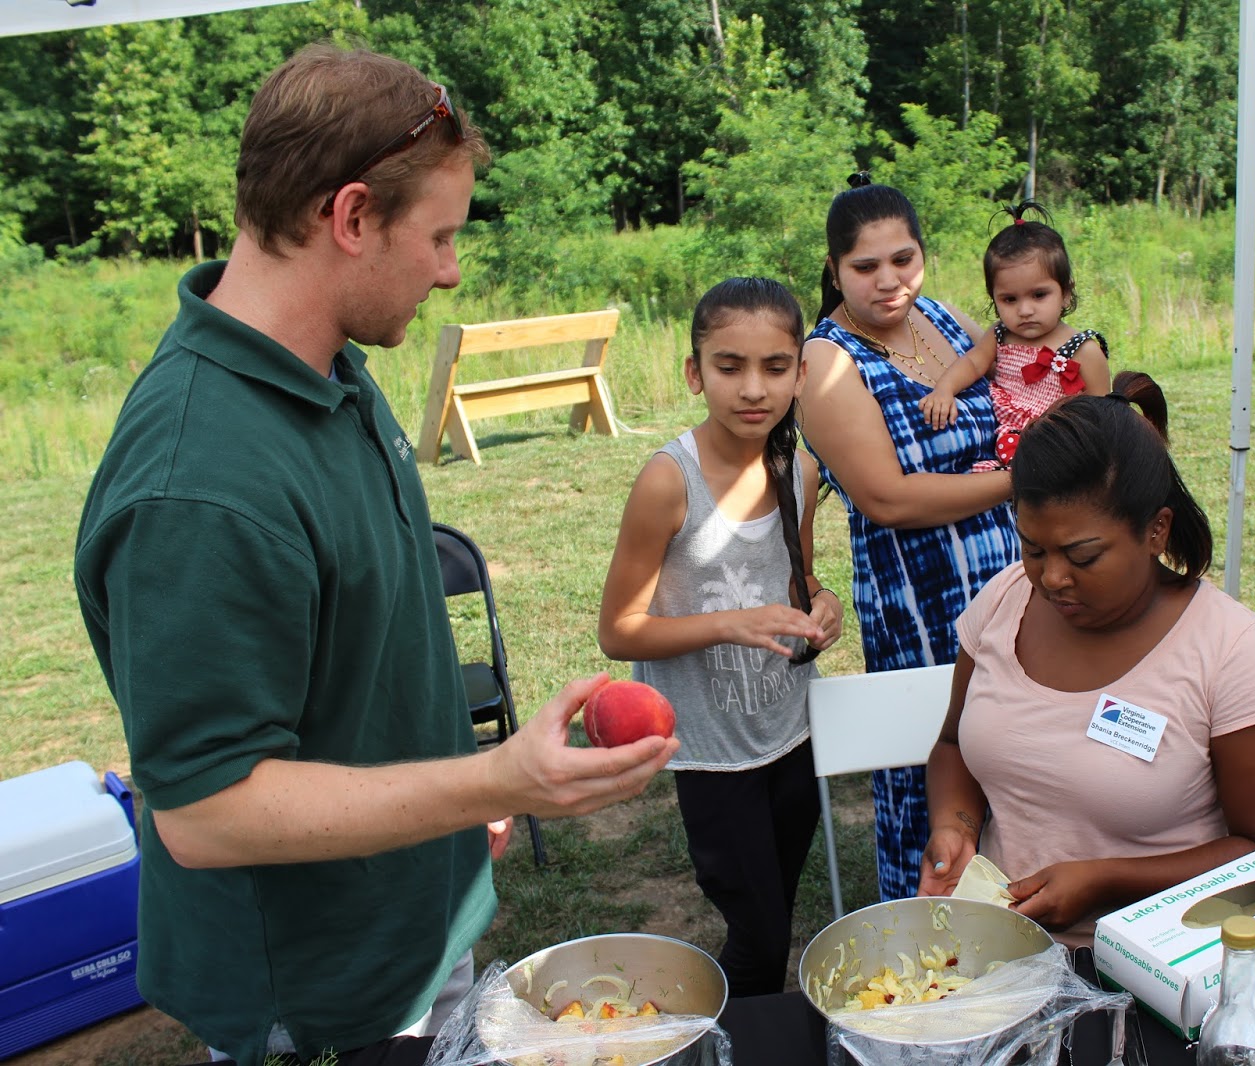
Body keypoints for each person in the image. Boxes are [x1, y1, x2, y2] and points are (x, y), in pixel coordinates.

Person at [73, 45, 677, 1066]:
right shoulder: (199, 484)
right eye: (438, 236)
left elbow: (363, 636)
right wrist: (492, 780)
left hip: (408, 927)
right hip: (319, 1002)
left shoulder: (328, 368)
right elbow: (208, 813)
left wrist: (455, 798)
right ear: (350, 217)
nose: (449, 269)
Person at [917, 372, 1255, 944]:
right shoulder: (1004, 601)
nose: (1051, 578)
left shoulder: (1234, 654)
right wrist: (956, 827)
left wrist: (1108, 881)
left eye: (1083, 554)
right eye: (1033, 549)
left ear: (1156, 530)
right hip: (999, 944)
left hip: (1163, 965)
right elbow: (953, 744)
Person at [597, 277, 843, 997]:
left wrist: (824, 606)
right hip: (712, 755)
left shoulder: (797, 467)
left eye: (774, 367)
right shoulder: (667, 483)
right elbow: (619, 631)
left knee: (774, 916)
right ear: (693, 371)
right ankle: (713, 1034)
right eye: (729, 366)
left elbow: (800, 580)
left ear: (801, 372)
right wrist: (732, 623)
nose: (752, 389)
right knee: (761, 938)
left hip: (793, 734)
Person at [800, 173, 1019, 902]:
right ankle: (937, 940)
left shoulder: (947, 320)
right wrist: (1026, 482)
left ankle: (1030, 912)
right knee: (941, 757)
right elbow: (887, 498)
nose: (890, 281)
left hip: (1016, 585)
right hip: (923, 602)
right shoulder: (826, 362)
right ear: (834, 270)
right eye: (866, 267)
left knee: (1020, 750)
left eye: (905, 259)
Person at [918, 201, 1112, 467]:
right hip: (1007, 447)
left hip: (1066, 452)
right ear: (994, 299)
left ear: (1066, 292)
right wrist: (944, 389)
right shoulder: (1000, 335)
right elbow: (974, 362)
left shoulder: (1083, 349)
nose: (1025, 310)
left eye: (1039, 295)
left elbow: (1106, 414)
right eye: (1010, 299)